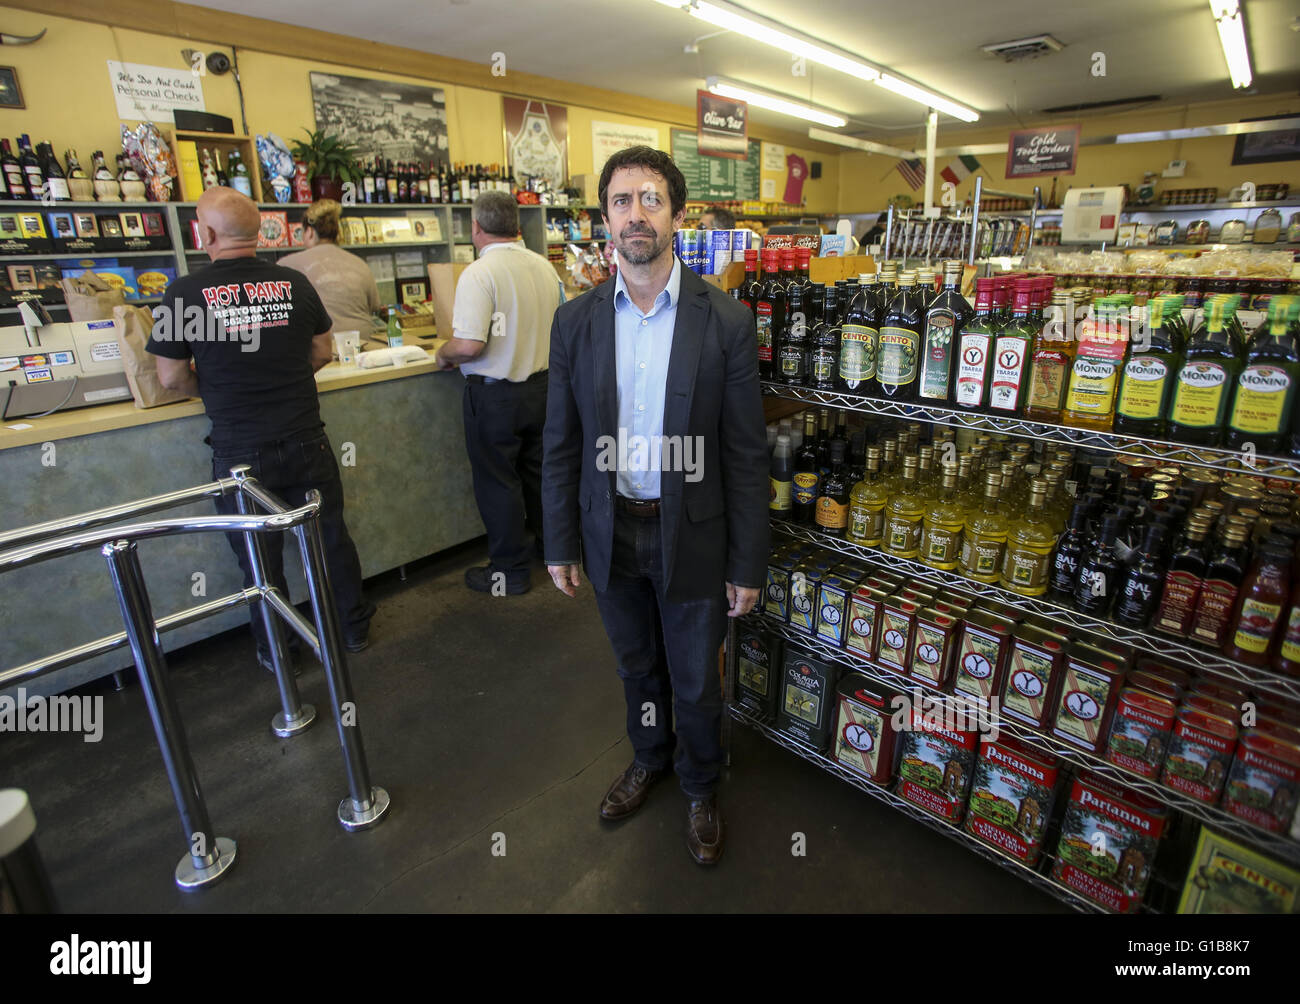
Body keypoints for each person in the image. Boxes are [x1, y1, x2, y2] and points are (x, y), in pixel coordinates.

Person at [542, 146, 768, 865]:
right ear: (604, 217)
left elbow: (743, 454)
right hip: (611, 530)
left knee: (698, 675)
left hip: (692, 534)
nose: (634, 214)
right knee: (637, 665)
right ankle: (652, 757)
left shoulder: (724, 321)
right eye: (620, 201)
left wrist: (747, 562)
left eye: (649, 199)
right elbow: (560, 440)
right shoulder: (576, 321)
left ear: (675, 214)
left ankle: (701, 784)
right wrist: (557, 541)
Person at [148, 187, 374, 670]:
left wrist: (219, 390)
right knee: (329, 536)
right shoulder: (294, 282)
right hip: (306, 438)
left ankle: (280, 651)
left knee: (258, 556)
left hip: (239, 451)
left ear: (205, 233)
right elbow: (322, 353)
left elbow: (169, 377)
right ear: (257, 232)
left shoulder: (184, 293)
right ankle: (352, 629)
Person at [435, 190, 564, 594]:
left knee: (498, 482)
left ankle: (508, 573)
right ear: (518, 225)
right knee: (540, 475)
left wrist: (443, 353)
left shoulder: (479, 273)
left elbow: (470, 345)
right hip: (542, 390)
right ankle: (553, 552)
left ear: (475, 227)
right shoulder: (545, 267)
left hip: (495, 396)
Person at [279, 199, 382, 340]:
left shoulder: (287, 265)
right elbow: (375, 306)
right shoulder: (359, 263)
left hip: (321, 350)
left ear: (309, 232)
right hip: (363, 348)